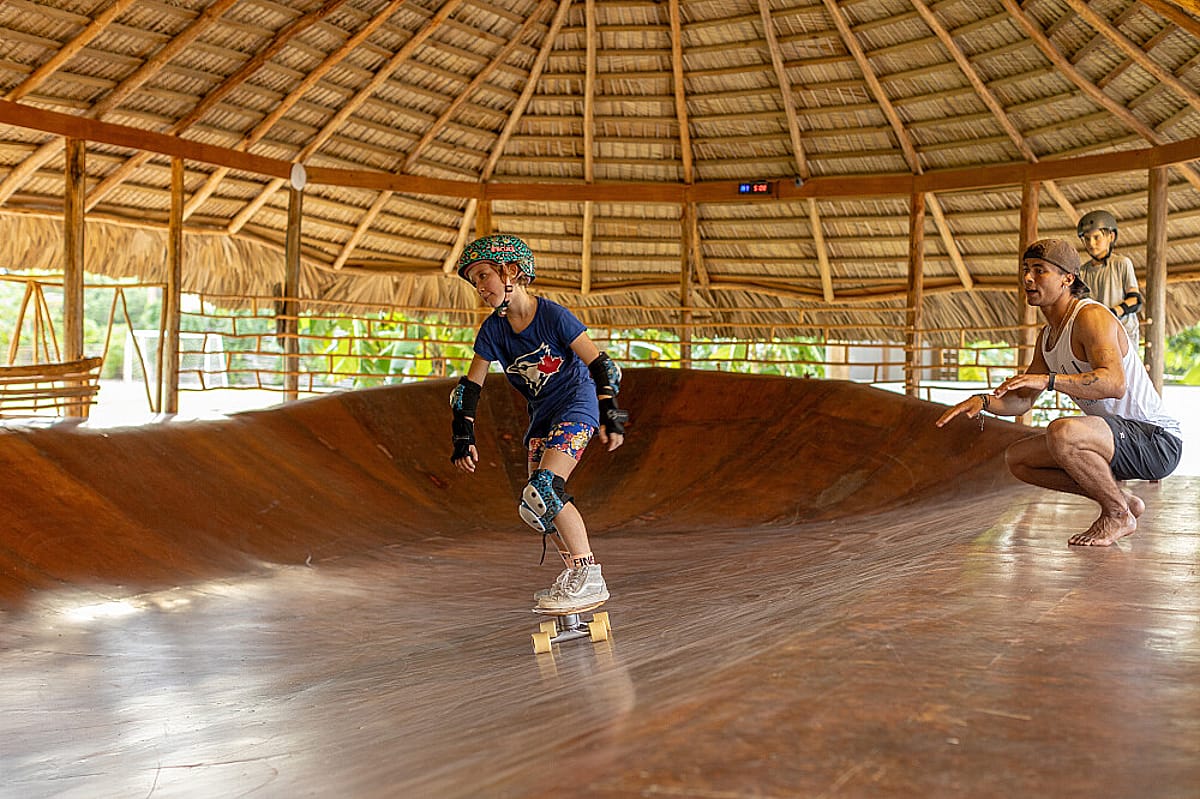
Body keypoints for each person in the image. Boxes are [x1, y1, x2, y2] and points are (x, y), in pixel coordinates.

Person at [935, 238, 1182, 547]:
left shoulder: (1091, 317)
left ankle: (1117, 514)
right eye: (1026, 270)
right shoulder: (1048, 337)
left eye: (1040, 271)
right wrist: (983, 401)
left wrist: (1049, 380)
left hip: (1156, 440)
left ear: (1068, 278)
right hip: (1115, 443)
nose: (1027, 278)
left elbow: (1114, 384)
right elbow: (1022, 400)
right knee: (1019, 459)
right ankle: (1120, 500)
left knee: (1062, 432)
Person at [449, 233, 629, 610]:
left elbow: (600, 363)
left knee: (545, 487)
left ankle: (589, 574)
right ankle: (575, 577)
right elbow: (469, 387)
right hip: (542, 416)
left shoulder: (552, 316)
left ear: (510, 270)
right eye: (475, 280)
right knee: (535, 507)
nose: (480, 287)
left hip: (576, 405)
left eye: (484, 276)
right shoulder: (493, 331)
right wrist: (463, 435)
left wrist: (610, 411)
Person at [1077, 210, 1142, 348]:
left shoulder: (1122, 263)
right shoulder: (1082, 272)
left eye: (1096, 237)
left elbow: (1135, 300)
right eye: (1087, 239)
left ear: (1111, 236)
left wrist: (1112, 313)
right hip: (1096, 334)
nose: (1091, 243)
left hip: (1124, 334)